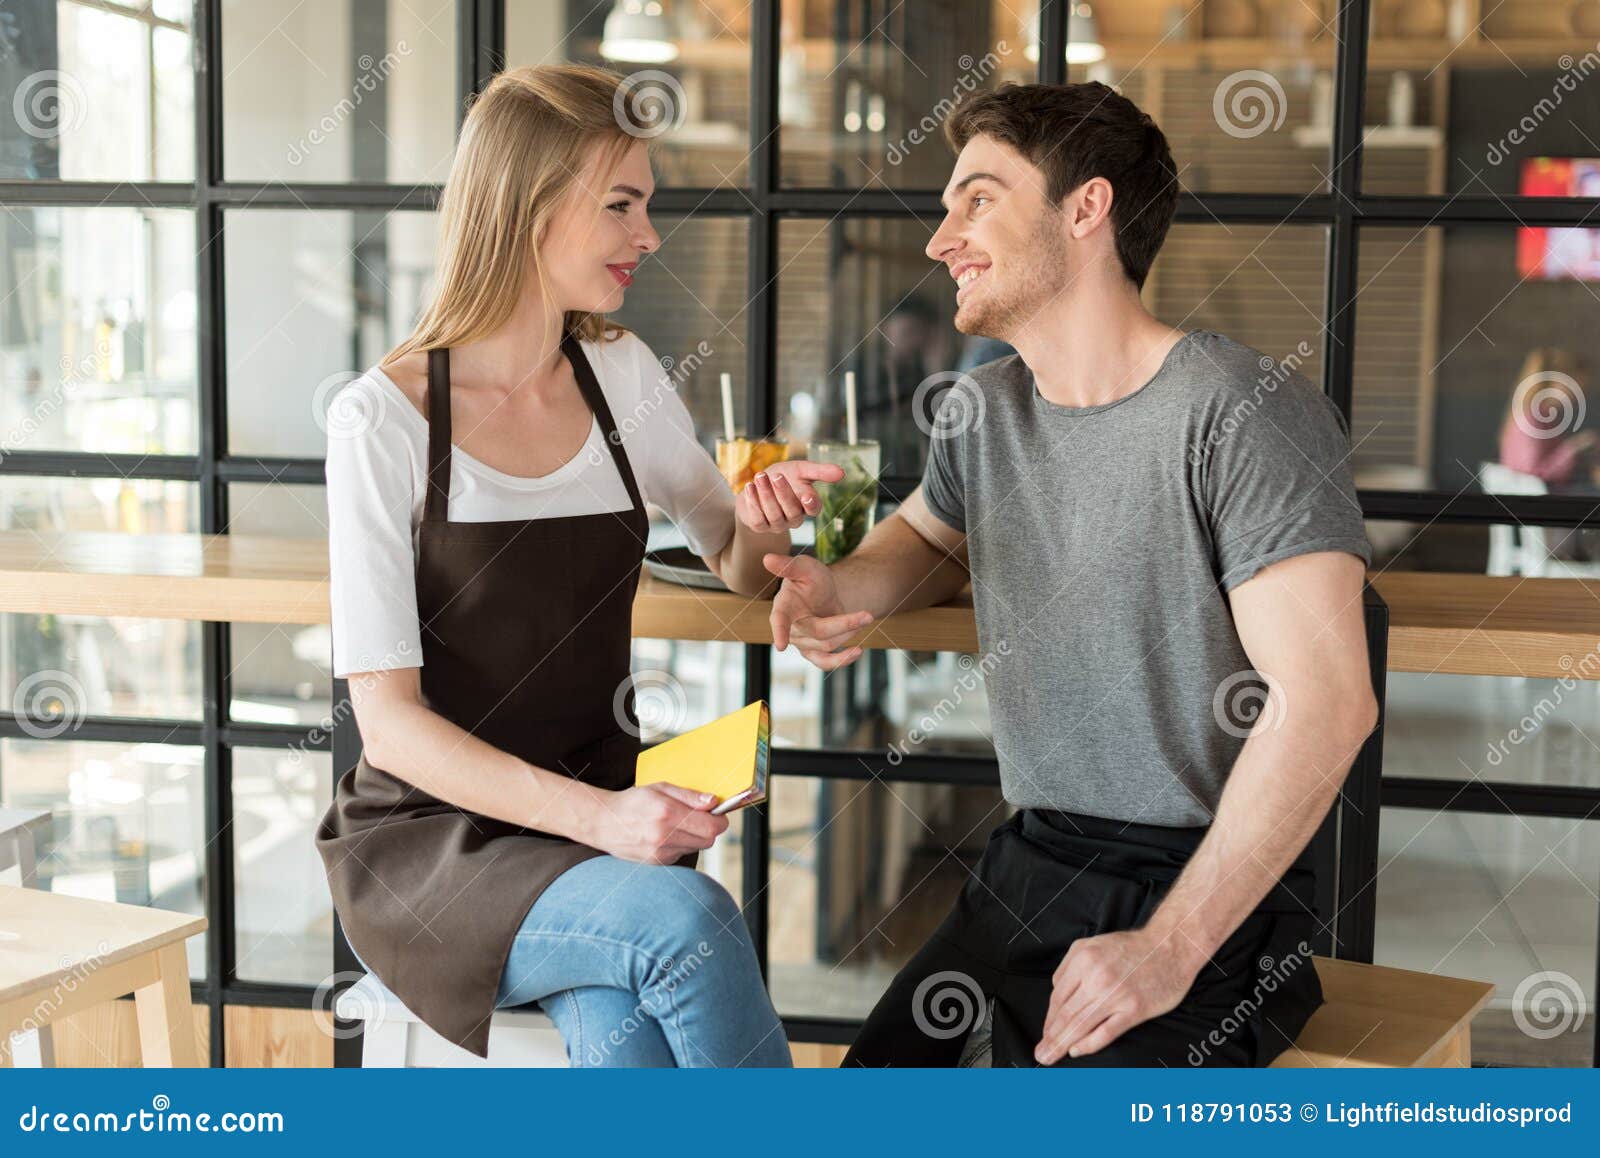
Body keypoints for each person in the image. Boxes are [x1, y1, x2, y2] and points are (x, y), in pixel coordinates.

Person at [762, 81, 1378, 1067]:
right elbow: (922, 542)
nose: (939, 240)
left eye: (976, 201)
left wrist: (1170, 947)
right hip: (1034, 860)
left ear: (1085, 209)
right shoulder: (983, 408)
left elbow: (1328, 704)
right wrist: (833, 589)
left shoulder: (1238, 410)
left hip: (1208, 883)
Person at [314, 64, 838, 1068]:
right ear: (526, 207)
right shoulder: (379, 420)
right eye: (621, 205)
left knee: (627, 1036)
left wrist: (767, 526)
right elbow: (391, 727)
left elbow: (732, 556)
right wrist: (606, 819)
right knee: (685, 924)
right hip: (431, 849)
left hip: (591, 823)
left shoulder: (623, 377)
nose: (648, 235)